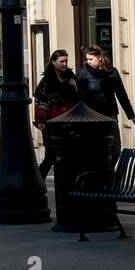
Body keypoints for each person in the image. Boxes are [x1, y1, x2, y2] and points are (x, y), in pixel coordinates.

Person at [76, 44, 135, 159]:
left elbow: (122, 95)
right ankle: (102, 176)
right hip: (92, 118)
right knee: (97, 151)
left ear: (100, 57)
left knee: (115, 150)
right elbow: (78, 97)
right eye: (87, 59)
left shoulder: (112, 72)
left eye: (91, 59)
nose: (88, 62)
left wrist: (132, 116)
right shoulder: (83, 73)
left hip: (110, 116)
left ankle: (107, 175)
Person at [34, 49, 78, 178]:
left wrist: (75, 86)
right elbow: (40, 101)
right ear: (53, 62)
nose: (64, 64)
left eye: (66, 61)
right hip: (52, 124)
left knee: (70, 155)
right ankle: (37, 182)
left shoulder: (71, 78)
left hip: (70, 123)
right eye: (61, 61)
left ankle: (69, 185)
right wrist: (41, 121)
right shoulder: (46, 81)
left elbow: (79, 98)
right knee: (51, 156)